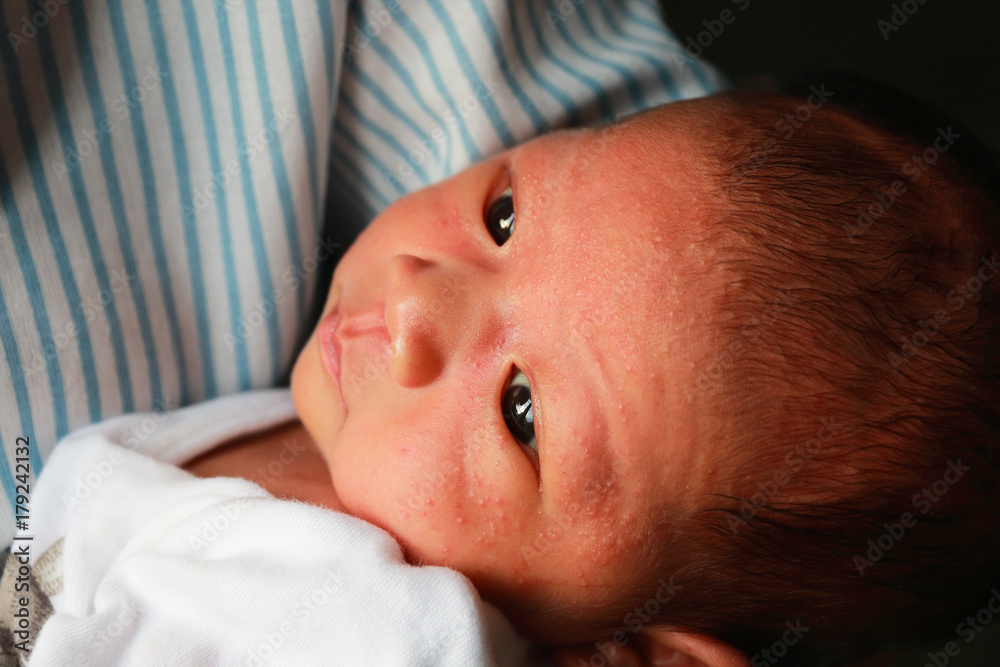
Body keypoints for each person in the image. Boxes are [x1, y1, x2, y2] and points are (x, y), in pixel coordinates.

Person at [17, 74, 1000, 667]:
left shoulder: (372, 633)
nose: (414, 300)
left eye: (521, 409)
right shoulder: (339, 463)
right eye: (504, 217)